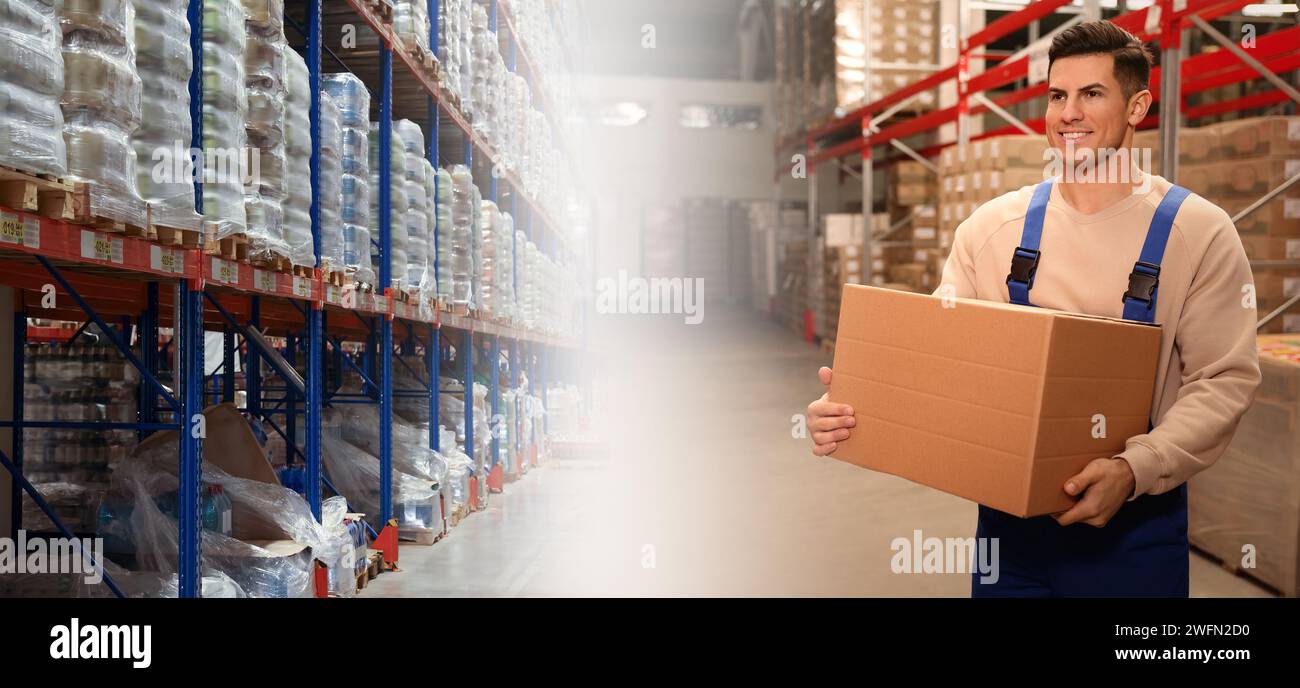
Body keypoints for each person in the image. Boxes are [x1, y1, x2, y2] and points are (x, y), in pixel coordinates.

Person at [806, 21, 1261, 597]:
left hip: (1133, 532)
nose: (1068, 113)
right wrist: (852, 405)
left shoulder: (1196, 231)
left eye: (1091, 94)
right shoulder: (991, 229)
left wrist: (1134, 468)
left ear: (1138, 105)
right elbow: (940, 363)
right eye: (1056, 96)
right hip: (1010, 533)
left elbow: (1222, 380)